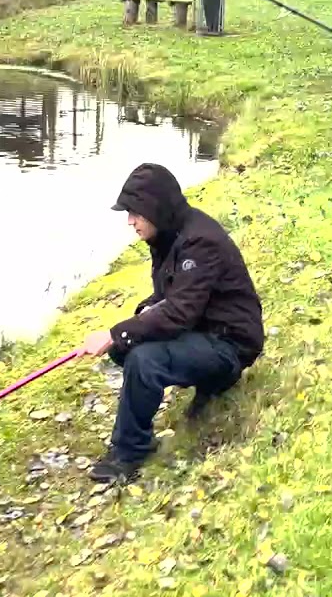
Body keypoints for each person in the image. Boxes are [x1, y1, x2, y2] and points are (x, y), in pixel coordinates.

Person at [73, 163, 266, 483]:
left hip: (229, 345)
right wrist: (139, 316)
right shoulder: (168, 236)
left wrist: (114, 332)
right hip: (203, 331)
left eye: (134, 212)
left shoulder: (200, 242)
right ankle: (193, 387)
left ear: (154, 208)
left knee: (142, 358)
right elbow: (171, 296)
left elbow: (180, 312)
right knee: (125, 349)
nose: (130, 221)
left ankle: (129, 452)